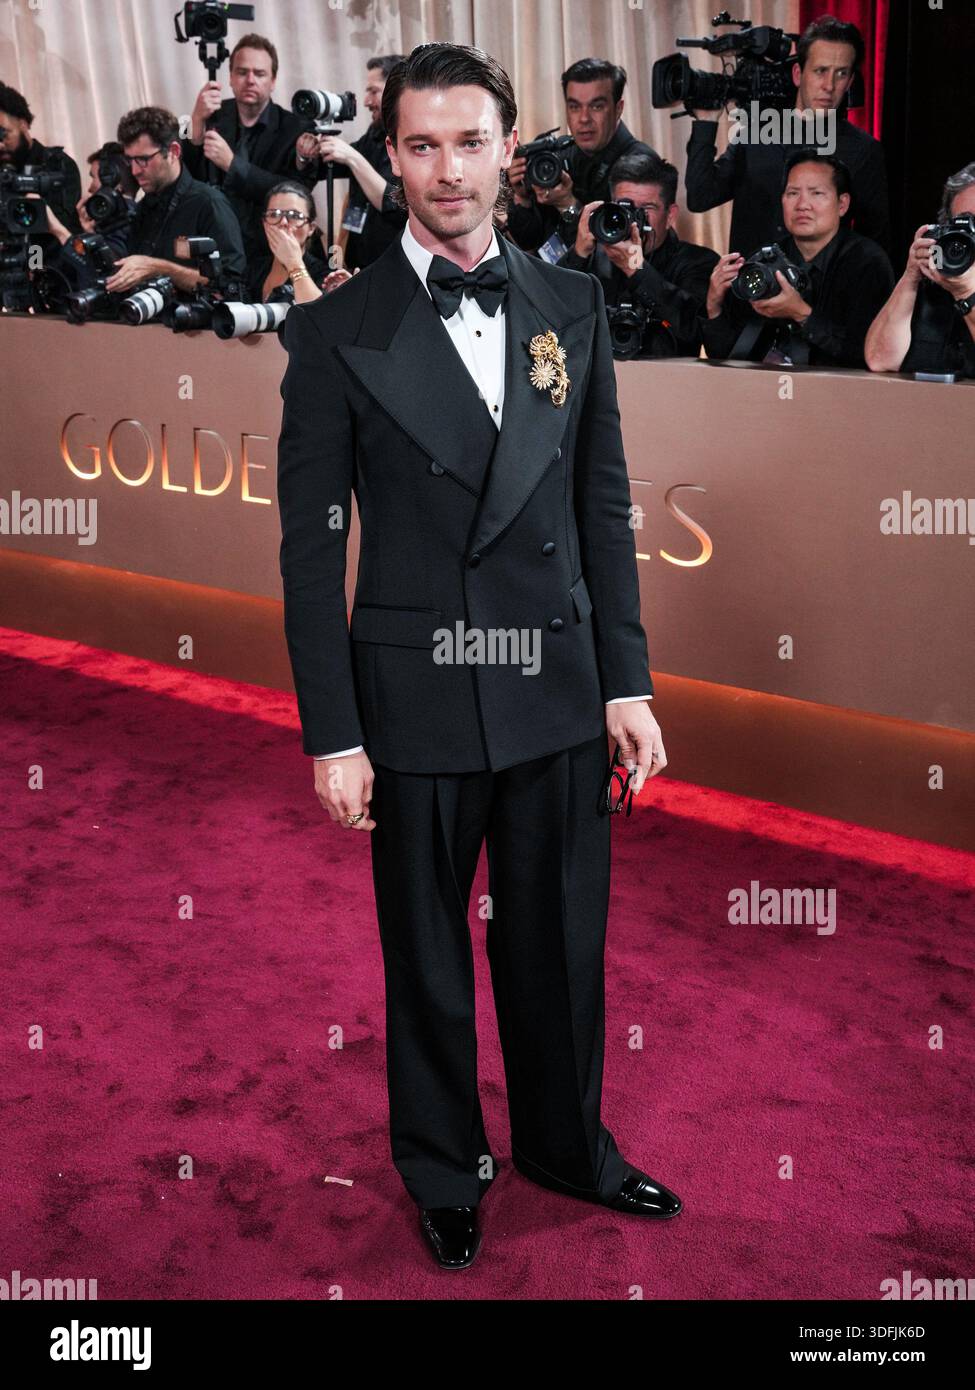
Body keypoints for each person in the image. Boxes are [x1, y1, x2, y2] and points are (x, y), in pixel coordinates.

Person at [276, 41, 682, 1271]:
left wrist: (627, 679)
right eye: (418, 145)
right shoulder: (336, 330)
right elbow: (310, 554)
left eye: (469, 142)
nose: (447, 171)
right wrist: (333, 734)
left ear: (511, 149)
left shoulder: (570, 302)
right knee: (430, 955)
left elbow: (600, 504)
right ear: (387, 155)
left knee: (559, 939)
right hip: (417, 693)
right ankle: (444, 1166)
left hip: (558, 683)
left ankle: (567, 1145)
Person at [685, 14, 891, 257]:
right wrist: (706, 123)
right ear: (797, 74)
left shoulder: (863, 150)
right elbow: (700, 196)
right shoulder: (756, 132)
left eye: (841, 73)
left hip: (816, 293)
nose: (829, 85)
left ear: (850, 82)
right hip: (749, 288)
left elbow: (875, 244)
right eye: (820, 71)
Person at [702, 150, 894, 368]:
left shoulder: (867, 263)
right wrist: (714, 305)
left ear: (842, 204)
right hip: (764, 392)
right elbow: (726, 356)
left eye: (816, 193)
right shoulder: (767, 259)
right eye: (793, 193)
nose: (803, 204)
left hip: (839, 394)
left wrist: (801, 314)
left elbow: (870, 356)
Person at [558, 150, 718, 358]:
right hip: (597, 383)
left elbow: (693, 329)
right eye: (627, 207)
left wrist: (635, 267)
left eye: (647, 208)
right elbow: (548, 316)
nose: (635, 218)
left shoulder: (696, 262)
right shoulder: (593, 257)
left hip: (669, 383)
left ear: (670, 216)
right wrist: (578, 254)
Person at [505, 57, 657, 258]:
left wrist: (567, 204)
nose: (584, 119)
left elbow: (629, 260)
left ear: (618, 108)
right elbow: (528, 240)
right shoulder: (556, 155)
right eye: (575, 107)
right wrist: (521, 197)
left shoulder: (642, 165)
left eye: (596, 106)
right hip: (555, 280)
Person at [182, 32, 309, 266]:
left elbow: (298, 191)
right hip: (216, 249)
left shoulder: (295, 127)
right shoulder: (212, 116)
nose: (250, 80)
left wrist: (233, 165)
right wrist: (196, 124)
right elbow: (185, 179)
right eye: (242, 72)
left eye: (259, 73)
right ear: (230, 77)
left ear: (273, 81)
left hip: (271, 253)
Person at [106, 106, 246, 298]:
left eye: (143, 159)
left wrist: (159, 268)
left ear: (173, 151)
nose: (134, 171)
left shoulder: (209, 204)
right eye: (130, 160)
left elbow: (231, 287)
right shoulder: (143, 209)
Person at [295, 54, 408, 272]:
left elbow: (392, 202)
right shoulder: (373, 136)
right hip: (357, 264)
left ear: (395, 91)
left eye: (373, 91)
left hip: (393, 264)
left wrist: (351, 157)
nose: (366, 101)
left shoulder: (410, 139)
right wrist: (306, 155)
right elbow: (324, 168)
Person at [866, 163, 975, 379]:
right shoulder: (932, 283)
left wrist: (966, 296)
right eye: (965, 223)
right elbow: (880, 360)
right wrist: (911, 275)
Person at [0, 81, 82, 249]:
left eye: (3, 134)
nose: (0, 145)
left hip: (45, 260)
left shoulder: (57, 164)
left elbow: (59, 230)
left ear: (23, 123)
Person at [245, 181, 325, 304]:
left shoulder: (323, 275)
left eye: (294, 216)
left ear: (311, 228)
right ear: (265, 224)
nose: (283, 222)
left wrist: (293, 263)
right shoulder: (254, 270)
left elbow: (316, 316)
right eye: (274, 214)